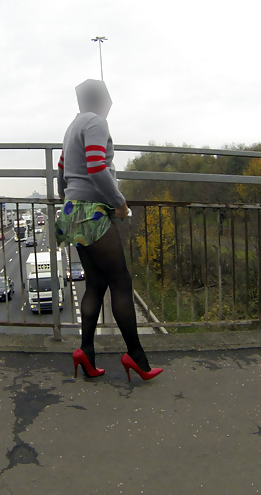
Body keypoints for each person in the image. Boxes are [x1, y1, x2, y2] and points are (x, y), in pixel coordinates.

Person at [54, 79, 162, 382]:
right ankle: (136, 357)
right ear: (101, 99)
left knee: (95, 285)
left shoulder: (71, 127)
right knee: (121, 282)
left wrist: (68, 199)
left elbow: (62, 172)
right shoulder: (97, 122)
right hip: (92, 212)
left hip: (71, 212)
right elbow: (96, 166)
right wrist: (119, 202)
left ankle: (86, 353)